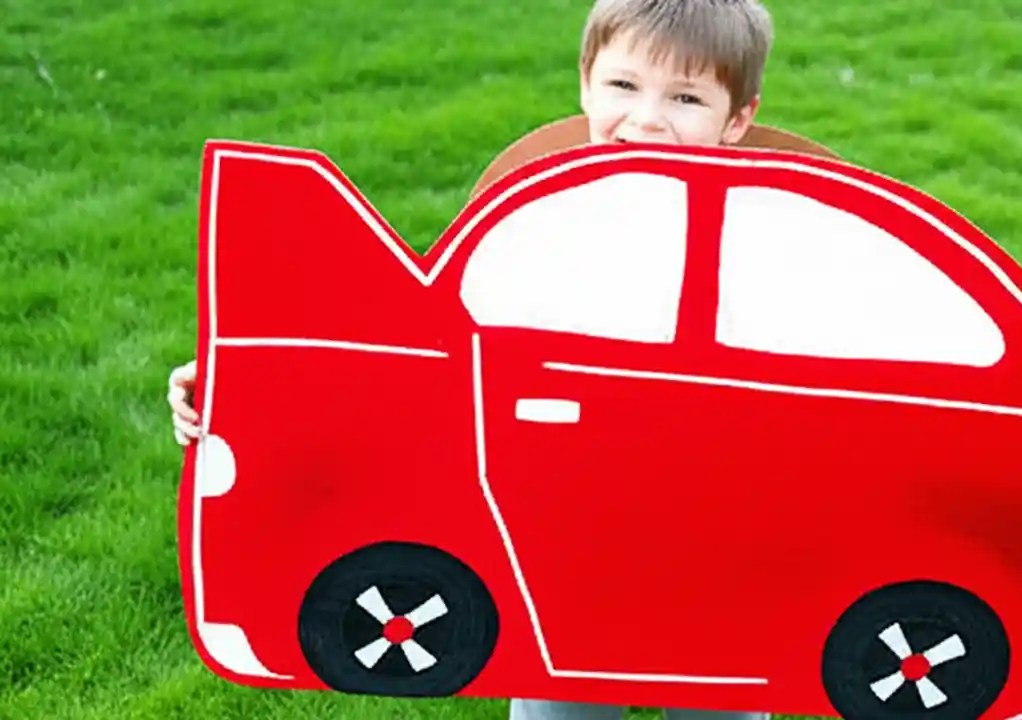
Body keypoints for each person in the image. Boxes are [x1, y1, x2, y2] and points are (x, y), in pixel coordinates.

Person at [168, 1, 774, 718]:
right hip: (555, 520)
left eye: (686, 99)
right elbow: (421, 352)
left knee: (724, 681)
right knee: (562, 693)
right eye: (623, 85)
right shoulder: (532, 229)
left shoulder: (768, 238)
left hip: (715, 521)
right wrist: (239, 388)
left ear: (736, 119)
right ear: (585, 83)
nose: (646, 120)